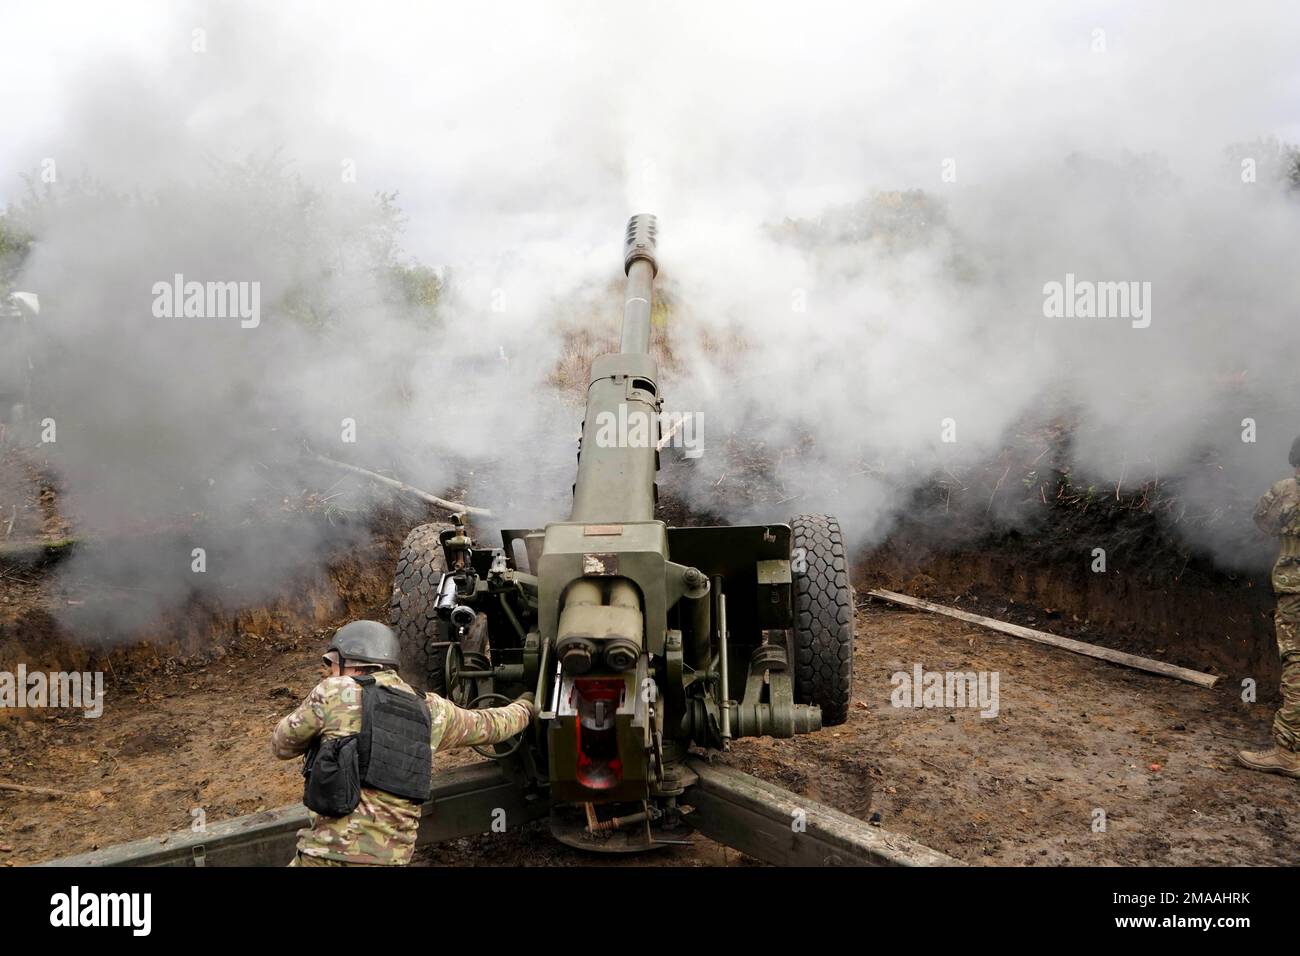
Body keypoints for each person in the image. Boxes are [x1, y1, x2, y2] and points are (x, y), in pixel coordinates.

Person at [272, 619, 535, 865]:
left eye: (333, 665)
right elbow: (492, 725)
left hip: (326, 855)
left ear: (351, 663)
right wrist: (527, 705)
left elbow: (281, 745)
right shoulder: (433, 709)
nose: (330, 673)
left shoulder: (334, 691)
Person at [1239, 436, 1300, 777]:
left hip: (1296, 593)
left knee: (1296, 663)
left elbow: (1262, 521)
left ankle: (1289, 751)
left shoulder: (1287, 490)